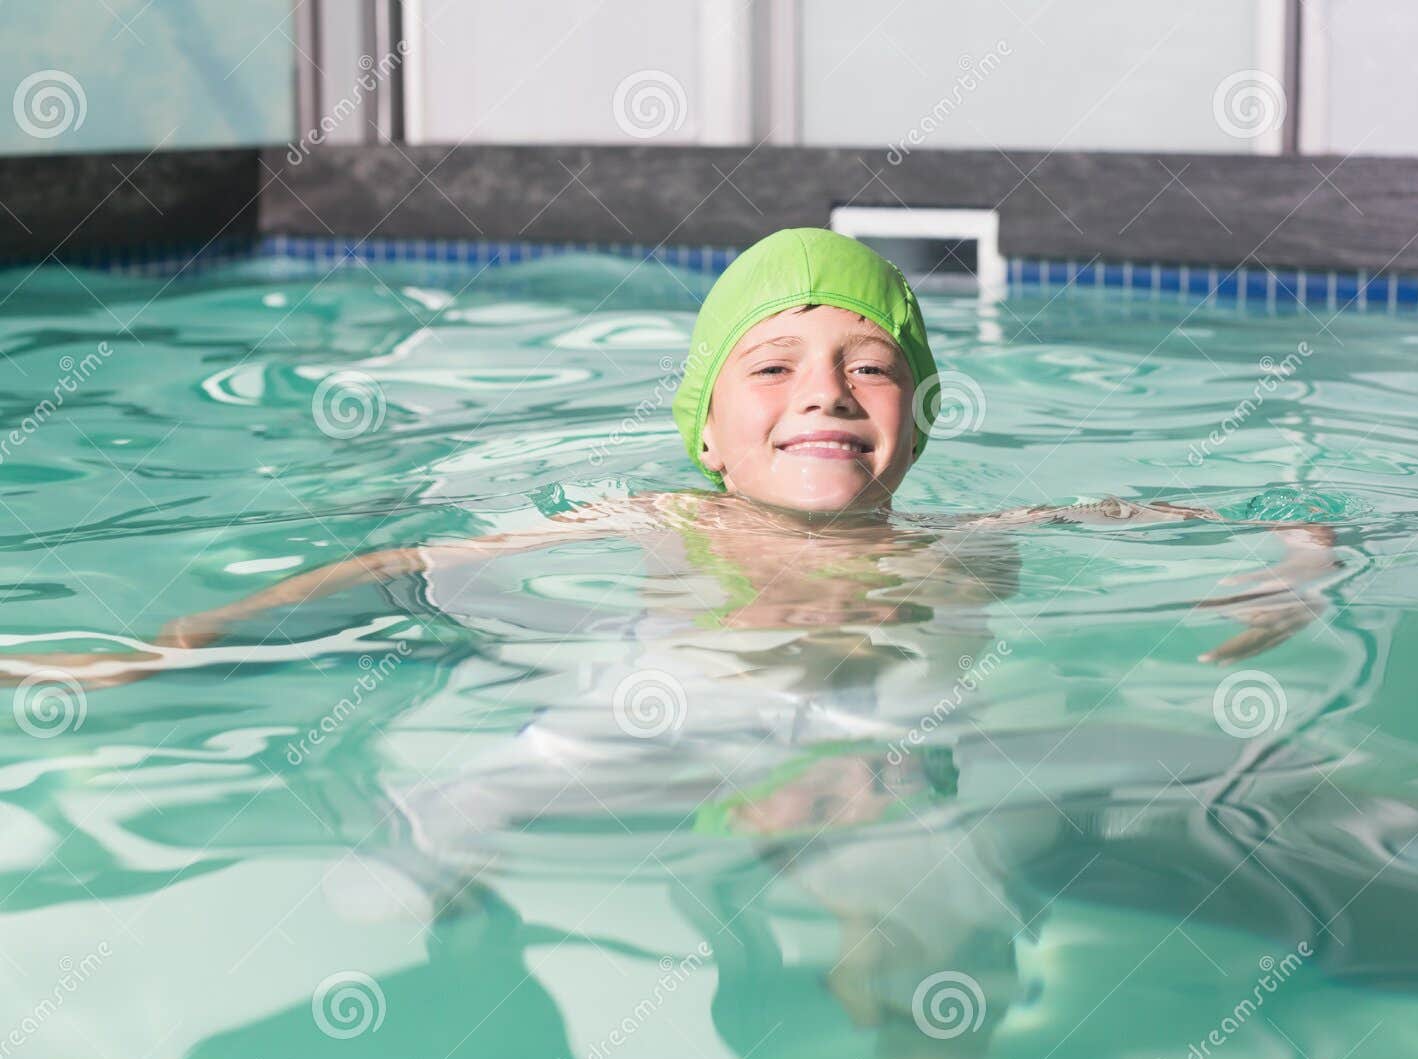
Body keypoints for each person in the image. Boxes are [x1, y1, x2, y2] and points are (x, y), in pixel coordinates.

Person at [0, 227, 1339, 694]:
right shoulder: (653, 518)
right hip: (655, 733)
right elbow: (401, 563)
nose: (824, 393)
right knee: (467, 811)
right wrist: (173, 644)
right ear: (706, 427)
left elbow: (1220, 515)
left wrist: (1292, 572)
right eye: (770, 367)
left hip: (892, 742)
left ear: (920, 414)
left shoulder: (978, 534)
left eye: (868, 365)